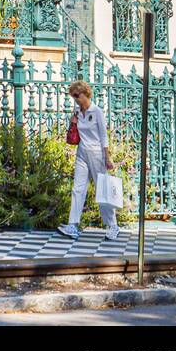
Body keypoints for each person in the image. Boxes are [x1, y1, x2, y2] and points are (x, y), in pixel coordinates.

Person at [57, 79, 120, 242]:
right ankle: (73, 224)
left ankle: (113, 226)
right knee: (77, 188)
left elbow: (103, 136)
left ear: (85, 94)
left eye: (77, 95)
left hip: (97, 154)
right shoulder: (77, 111)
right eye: (73, 96)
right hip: (82, 153)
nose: (75, 99)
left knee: (103, 190)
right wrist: (73, 122)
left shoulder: (96, 111)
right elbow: (74, 132)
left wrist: (107, 156)